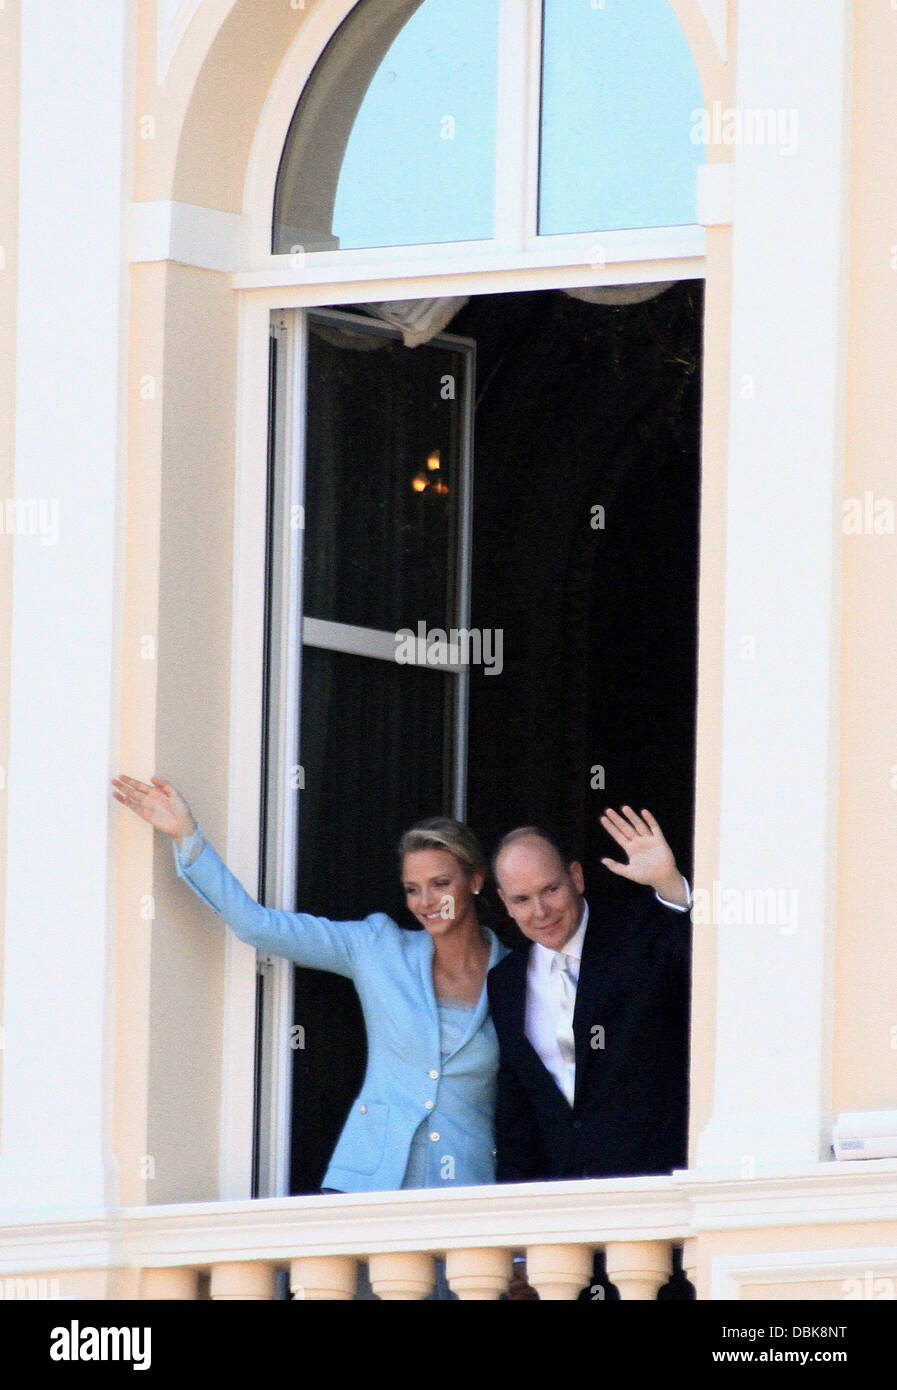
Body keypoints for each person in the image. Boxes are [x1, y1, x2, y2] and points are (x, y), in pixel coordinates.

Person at [110, 774, 509, 1197]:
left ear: (476, 880)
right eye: (413, 889)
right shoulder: (378, 947)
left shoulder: (517, 977)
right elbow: (257, 924)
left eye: (441, 885)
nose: (426, 902)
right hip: (371, 1185)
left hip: (467, 1189)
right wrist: (188, 837)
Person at [486, 805, 691, 1184]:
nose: (541, 911)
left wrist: (669, 884)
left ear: (576, 877)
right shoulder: (505, 981)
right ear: (505, 904)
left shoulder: (636, 933)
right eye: (522, 900)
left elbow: (701, 964)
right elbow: (519, 1110)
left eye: (551, 889)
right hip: (566, 1203)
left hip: (657, 1185)